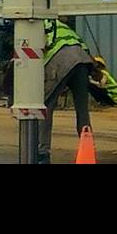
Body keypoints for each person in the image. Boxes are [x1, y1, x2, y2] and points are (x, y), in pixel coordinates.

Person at [39, 19, 94, 165]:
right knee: (82, 110)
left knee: (46, 107)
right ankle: (88, 149)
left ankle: (42, 152)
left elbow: (37, 51)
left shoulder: (37, 23)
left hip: (61, 61)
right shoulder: (62, 26)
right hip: (82, 61)